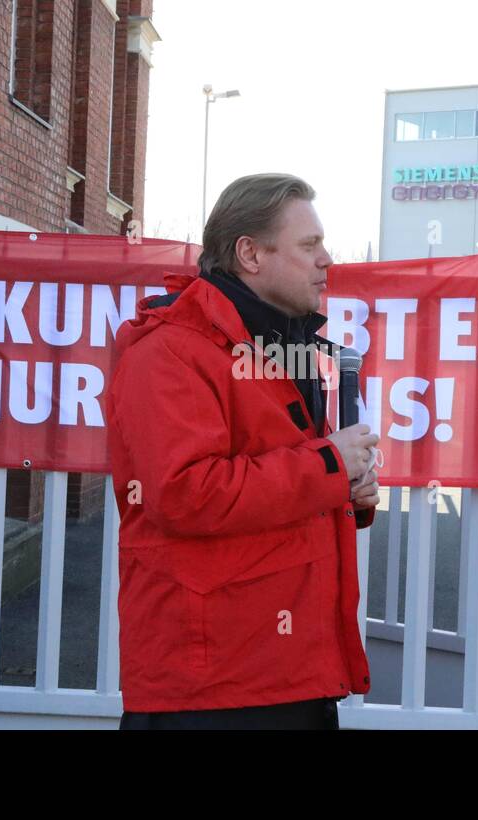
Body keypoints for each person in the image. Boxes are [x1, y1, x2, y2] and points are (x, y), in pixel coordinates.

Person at [106, 173, 380, 730]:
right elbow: (185, 494)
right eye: (309, 245)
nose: (328, 259)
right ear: (250, 253)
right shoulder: (171, 350)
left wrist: (349, 487)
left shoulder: (276, 342)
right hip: (213, 690)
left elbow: (280, 482)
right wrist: (330, 463)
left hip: (287, 672)